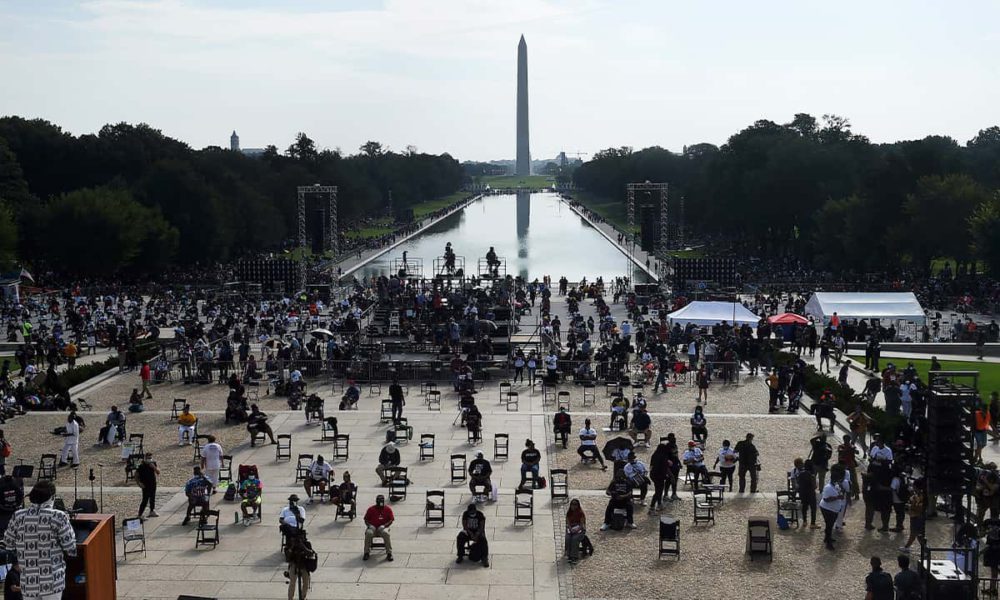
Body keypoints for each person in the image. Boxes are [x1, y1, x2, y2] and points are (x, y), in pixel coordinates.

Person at [2, 480, 76, 600]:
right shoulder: (58, 516)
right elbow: (71, 548)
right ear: (52, 497)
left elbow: (8, 543)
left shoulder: (18, 516)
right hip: (52, 580)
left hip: (29, 581)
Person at [819, 464, 846, 550]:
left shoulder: (836, 485)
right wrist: (837, 497)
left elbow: (839, 492)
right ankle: (828, 543)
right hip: (827, 509)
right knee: (829, 525)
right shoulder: (828, 487)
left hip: (833, 509)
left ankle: (827, 538)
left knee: (829, 524)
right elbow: (826, 499)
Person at [362, 494, 394, 561]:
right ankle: (366, 552)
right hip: (373, 528)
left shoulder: (388, 509)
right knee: (368, 533)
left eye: (382, 501)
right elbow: (366, 519)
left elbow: (391, 520)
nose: (381, 503)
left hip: (382, 528)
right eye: (379, 501)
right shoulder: (371, 509)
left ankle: (389, 553)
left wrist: (384, 526)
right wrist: (369, 526)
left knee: (386, 534)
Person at [899, 479, 927, 554]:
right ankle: (909, 547)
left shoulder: (920, 496)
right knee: (916, 534)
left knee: (916, 534)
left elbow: (918, 508)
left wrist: (910, 506)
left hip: (917, 517)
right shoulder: (918, 494)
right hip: (915, 516)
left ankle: (924, 550)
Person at [565, 498, 589, 564]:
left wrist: (577, 530)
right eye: (572, 504)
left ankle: (574, 556)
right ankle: (569, 554)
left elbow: (582, 525)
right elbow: (568, 523)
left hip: (580, 529)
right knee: (568, 538)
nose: (573, 506)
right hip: (571, 528)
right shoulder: (569, 513)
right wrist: (570, 529)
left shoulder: (581, 513)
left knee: (575, 539)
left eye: (575, 505)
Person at [136, 452, 160, 519]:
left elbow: (158, 472)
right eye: (148, 458)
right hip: (145, 485)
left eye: (150, 458)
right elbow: (136, 475)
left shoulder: (153, 463)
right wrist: (139, 483)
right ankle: (140, 514)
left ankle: (152, 511)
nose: (150, 459)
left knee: (152, 498)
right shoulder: (141, 465)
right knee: (145, 500)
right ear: (145, 458)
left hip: (153, 483)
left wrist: (154, 467)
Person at [796, 459, 819, 528]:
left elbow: (798, 483)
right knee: (813, 508)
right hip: (810, 493)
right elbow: (814, 486)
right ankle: (812, 523)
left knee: (804, 507)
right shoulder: (812, 475)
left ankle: (804, 522)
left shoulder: (800, 474)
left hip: (803, 493)